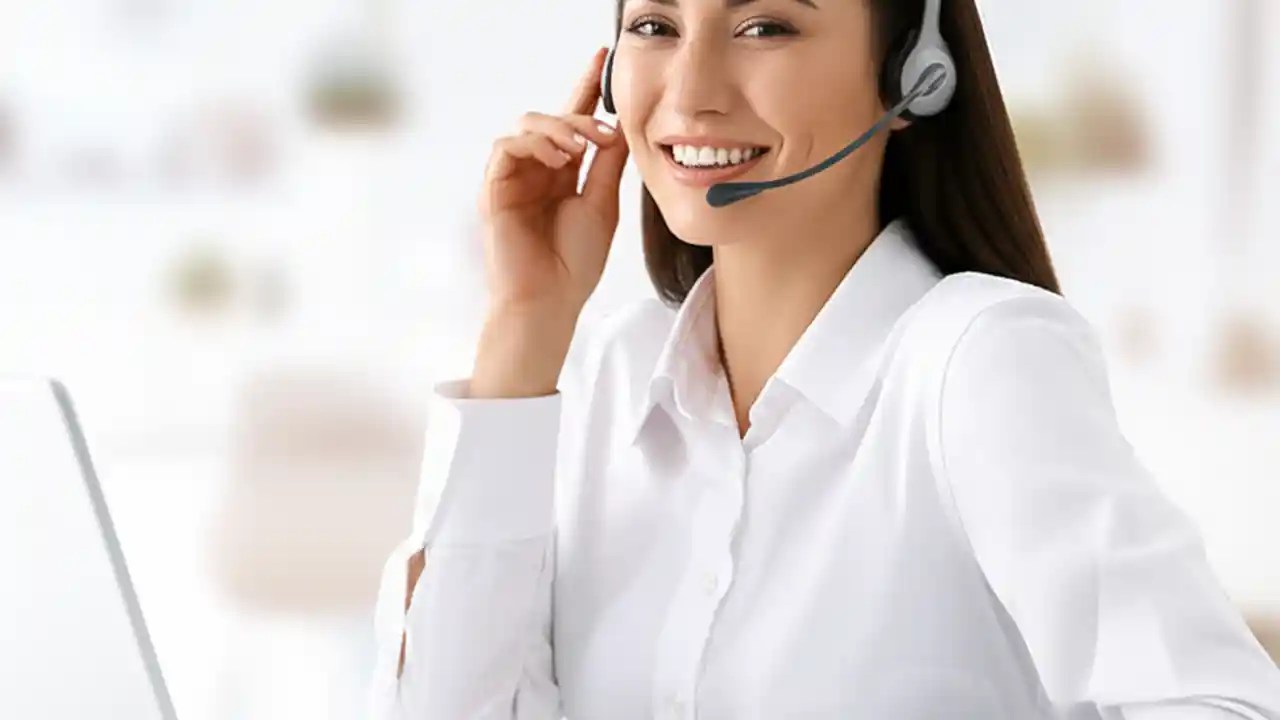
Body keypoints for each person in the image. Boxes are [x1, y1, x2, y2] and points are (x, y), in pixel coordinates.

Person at [371, 0, 1280, 717]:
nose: (691, 90)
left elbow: (1221, 701)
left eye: (765, 26)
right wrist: (525, 328)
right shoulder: (614, 374)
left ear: (915, 76)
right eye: (654, 26)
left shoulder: (974, 362)